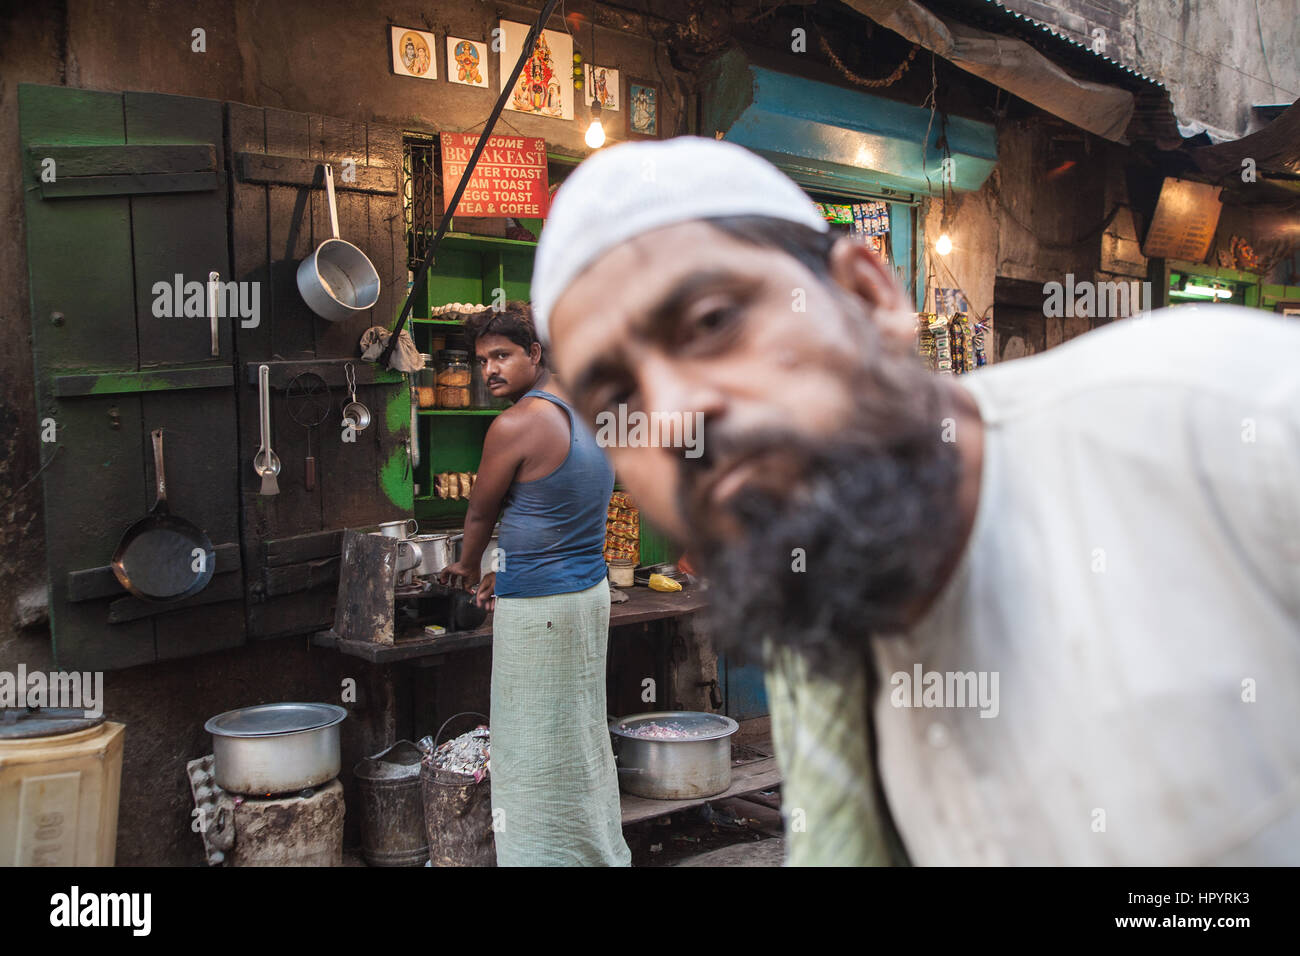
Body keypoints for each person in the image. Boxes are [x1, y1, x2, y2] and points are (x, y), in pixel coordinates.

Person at [527, 136, 1300, 866]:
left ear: (869, 294)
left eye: (712, 321)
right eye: (618, 397)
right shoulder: (825, 623)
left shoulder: (1230, 417)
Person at [438, 303, 630, 867]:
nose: (489, 370)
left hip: (543, 611)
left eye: (502, 356)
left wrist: (468, 566)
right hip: (584, 596)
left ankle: (540, 857)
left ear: (535, 355)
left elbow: (479, 515)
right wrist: (511, 568)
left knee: (531, 747)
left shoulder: (516, 424)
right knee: (577, 733)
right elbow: (560, 514)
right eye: (480, 361)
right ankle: (593, 852)